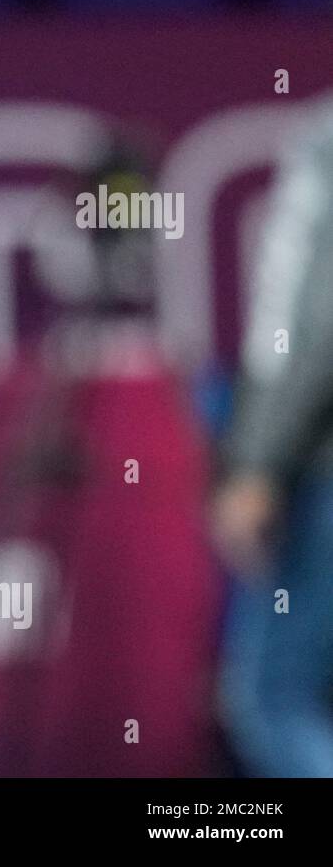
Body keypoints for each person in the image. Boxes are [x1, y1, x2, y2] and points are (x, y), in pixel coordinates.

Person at [214, 98, 333, 777]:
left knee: (272, 699)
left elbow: (311, 322)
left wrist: (259, 466)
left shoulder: (326, 145)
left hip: (323, 469)